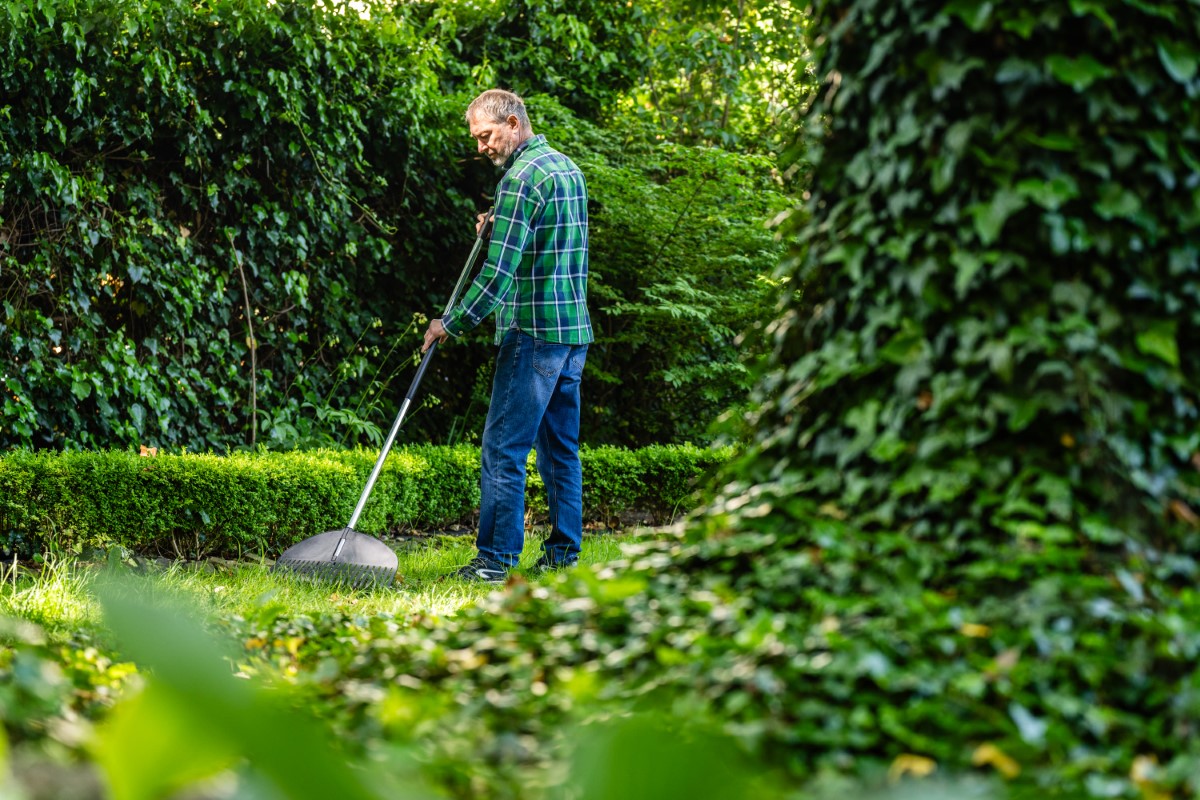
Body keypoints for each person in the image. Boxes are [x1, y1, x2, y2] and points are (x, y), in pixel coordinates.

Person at [423, 89, 592, 584]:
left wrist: (450, 322)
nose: (482, 147)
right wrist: (499, 224)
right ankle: (564, 556)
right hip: (572, 333)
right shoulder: (567, 169)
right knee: (561, 449)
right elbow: (551, 242)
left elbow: (498, 276)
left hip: (533, 333)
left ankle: (494, 562)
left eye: (486, 135)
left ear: (513, 123)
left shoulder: (519, 179)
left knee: (504, 449)